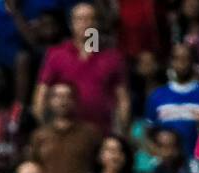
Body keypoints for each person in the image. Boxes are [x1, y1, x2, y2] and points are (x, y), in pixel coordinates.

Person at [33, 3, 128, 135]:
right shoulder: (56, 54)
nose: (85, 23)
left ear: (97, 23)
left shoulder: (112, 57)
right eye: (80, 19)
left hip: (102, 132)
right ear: (72, 24)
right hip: (66, 134)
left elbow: (122, 99)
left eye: (90, 18)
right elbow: (41, 95)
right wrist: (47, 130)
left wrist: (120, 133)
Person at [144, 41, 199, 159]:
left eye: (186, 58)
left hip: (197, 162)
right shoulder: (157, 95)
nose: (182, 63)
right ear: (171, 62)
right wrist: (157, 154)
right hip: (166, 165)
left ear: (193, 62)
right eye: (177, 58)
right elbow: (147, 133)